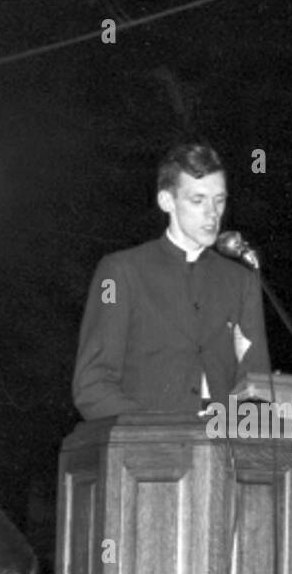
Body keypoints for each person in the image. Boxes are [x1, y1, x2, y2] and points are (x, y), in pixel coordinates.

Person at [72, 140, 270, 419]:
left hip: (225, 448)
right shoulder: (118, 273)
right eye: (198, 200)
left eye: (219, 200)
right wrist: (154, 430)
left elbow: (258, 386)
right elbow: (92, 385)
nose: (212, 213)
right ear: (167, 201)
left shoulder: (242, 280)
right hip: (147, 447)